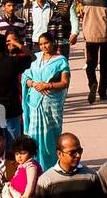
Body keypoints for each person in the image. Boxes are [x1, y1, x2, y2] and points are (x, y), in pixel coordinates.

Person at [21, 32, 70, 171]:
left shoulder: (60, 61)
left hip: (52, 104)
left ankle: (53, 167)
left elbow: (65, 82)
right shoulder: (35, 60)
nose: (44, 47)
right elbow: (25, 77)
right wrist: (33, 83)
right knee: (35, 137)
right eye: (41, 44)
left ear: (52, 42)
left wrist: (47, 85)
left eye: (46, 43)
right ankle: (36, 168)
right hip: (36, 104)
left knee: (51, 137)